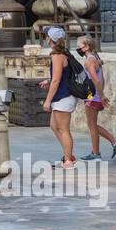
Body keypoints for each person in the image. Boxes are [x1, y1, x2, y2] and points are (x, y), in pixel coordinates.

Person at [77, 35, 116, 161]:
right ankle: (97, 151)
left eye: (79, 46)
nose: (78, 48)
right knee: (92, 124)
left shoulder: (89, 60)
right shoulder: (94, 57)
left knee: (92, 125)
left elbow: (96, 80)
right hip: (93, 95)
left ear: (86, 46)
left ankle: (113, 143)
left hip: (93, 96)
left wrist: (100, 96)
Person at [38, 27, 78, 168]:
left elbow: (56, 80)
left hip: (64, 96)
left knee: (64, 129)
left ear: (50, 39)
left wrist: (47, 101)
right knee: (54, 126)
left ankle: (68, 160)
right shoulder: (64, 53)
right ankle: (69, 154)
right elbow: (60, 76)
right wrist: (48, 81)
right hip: (63, 95)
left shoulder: (57, 56)